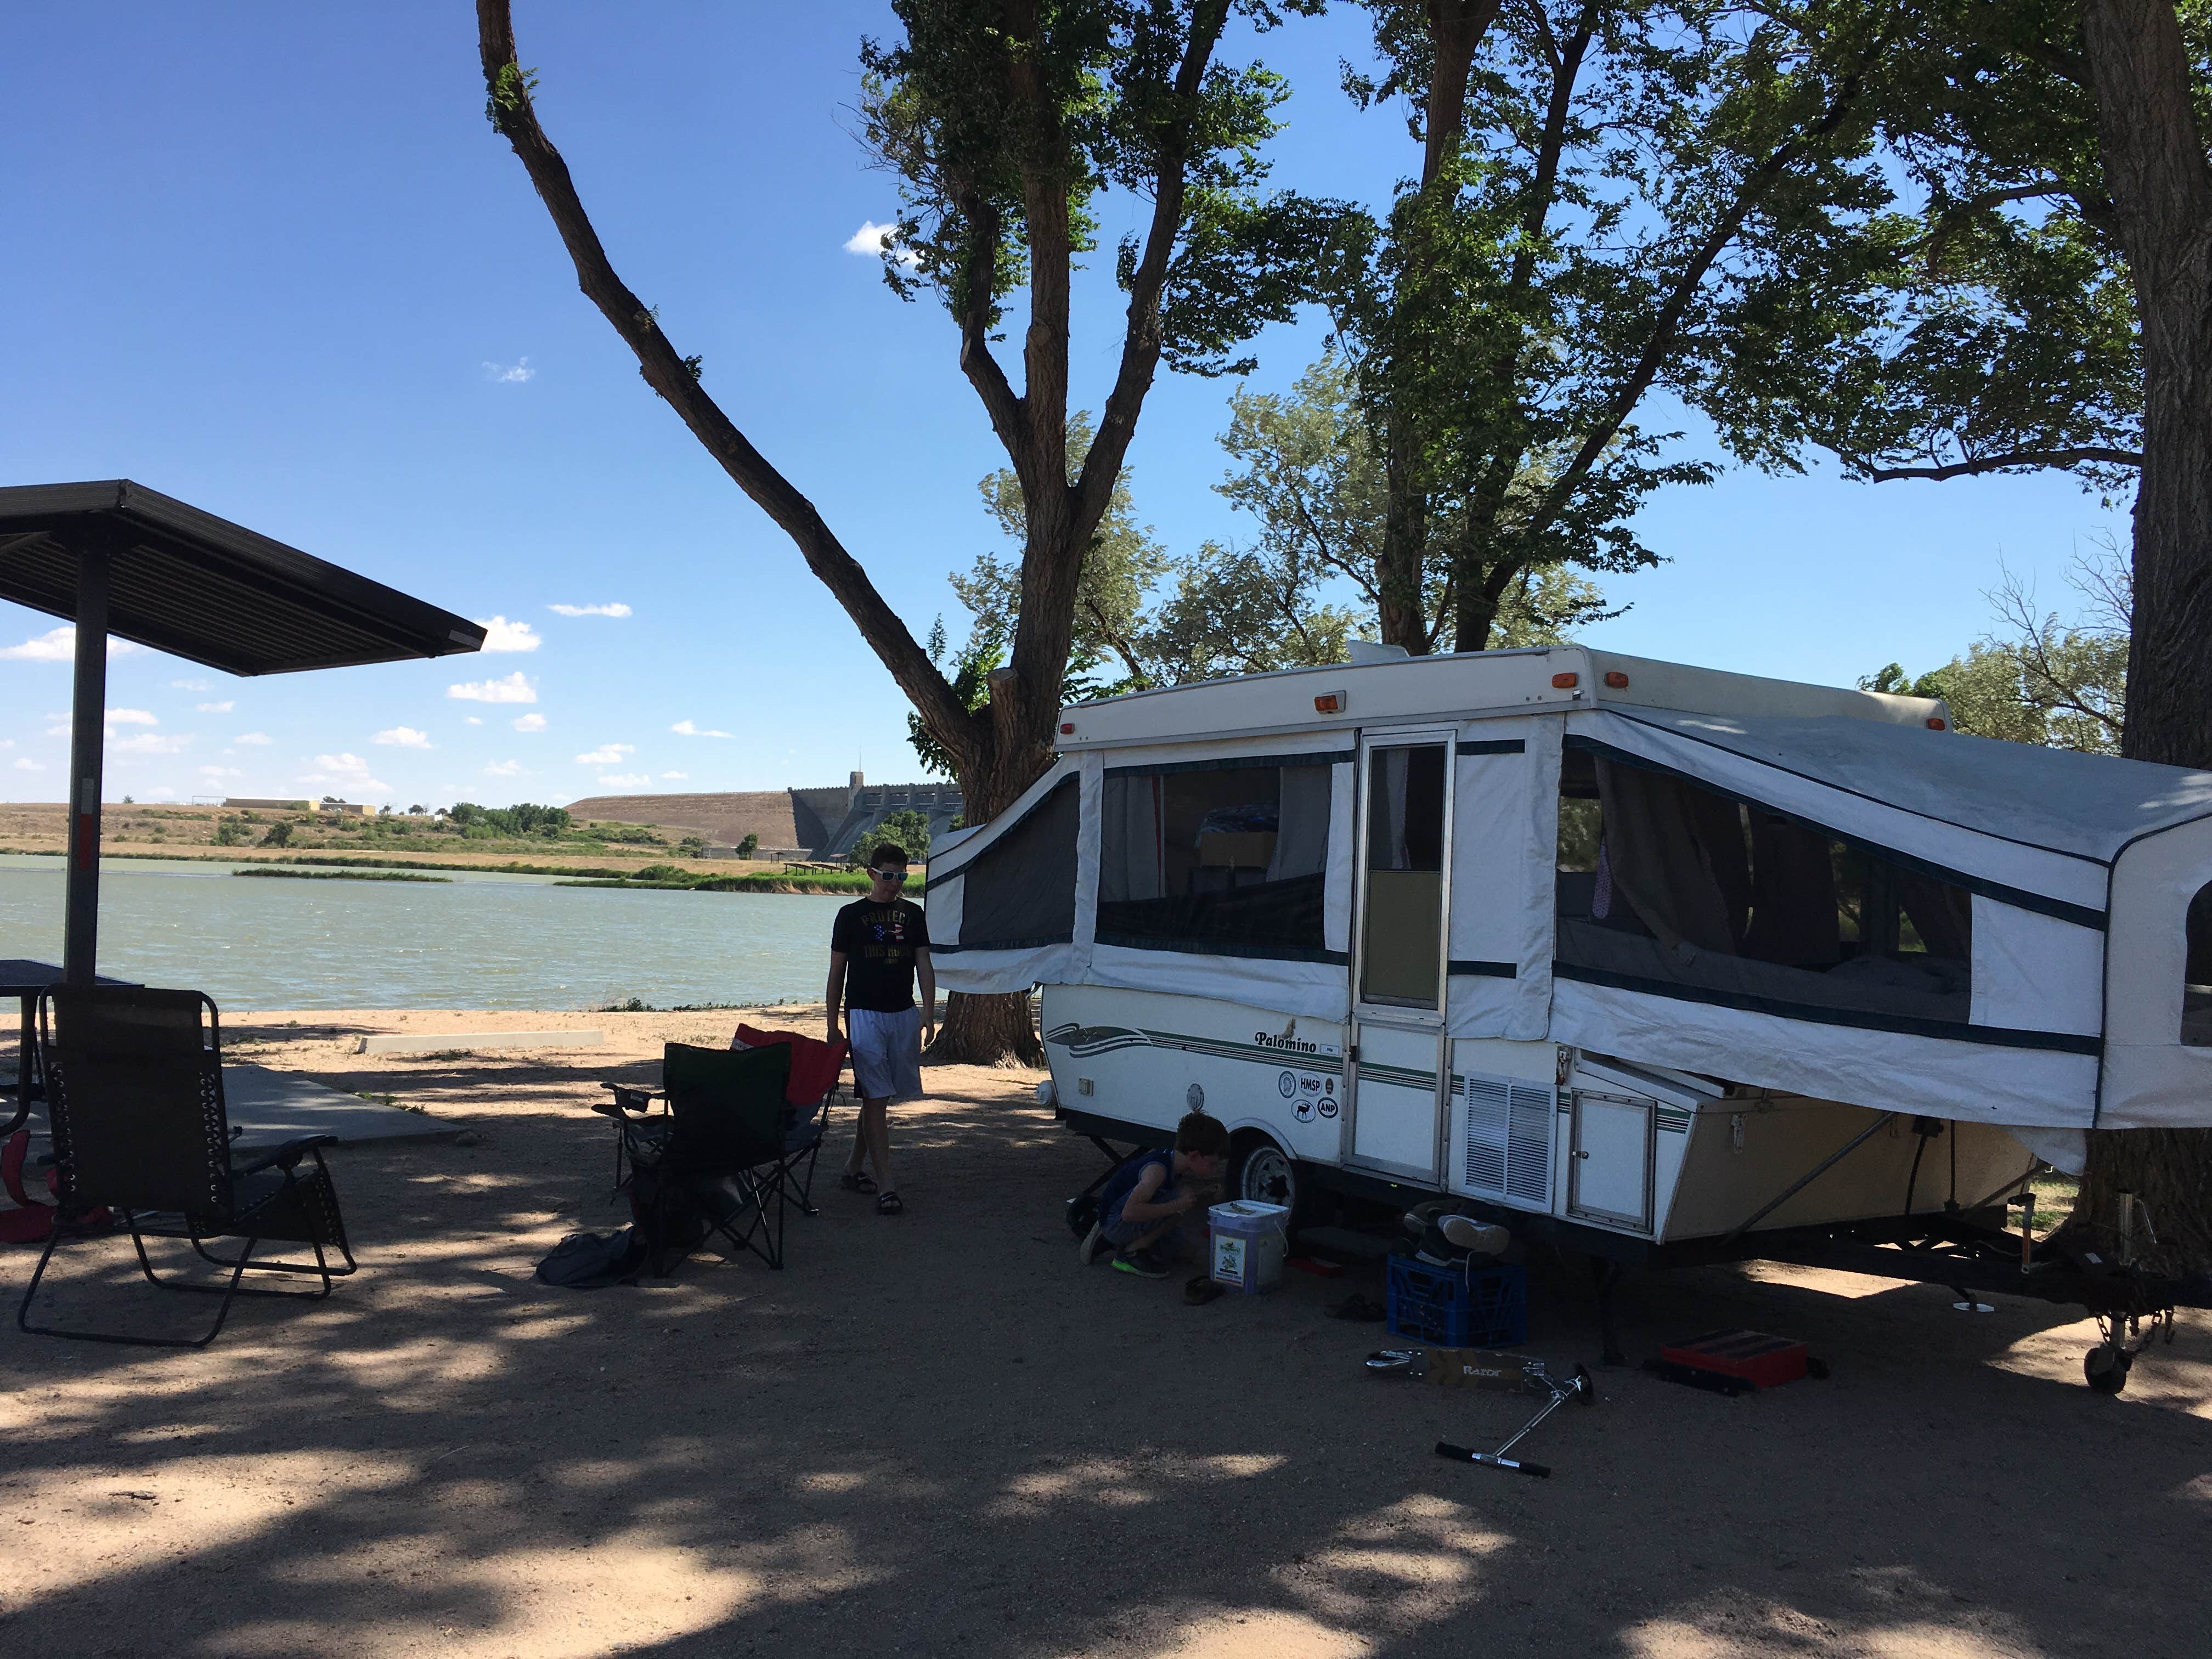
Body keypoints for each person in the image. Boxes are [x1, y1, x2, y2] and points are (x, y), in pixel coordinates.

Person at [826, 842, 934, 1216]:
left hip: (902, 1012)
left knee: (881, 1096)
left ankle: (852, 1169)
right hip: (864, 1015)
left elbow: (923, 963)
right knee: (874, 1097)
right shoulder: (850, 916)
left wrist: (929, 1011)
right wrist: (832, 1024)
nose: (895, 884)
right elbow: (836, 972)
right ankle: (887, 1186)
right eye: (888, 876)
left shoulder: (914, 914)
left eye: (902, 876)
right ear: (872, 874)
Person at [1079, 1111, 1230, 1277]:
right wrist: (1178, 1205)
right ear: (1194, 1156)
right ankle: (1130, 1253)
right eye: (1213, 1164)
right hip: (1116, 1222)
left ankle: (1128, 1242)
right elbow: (1130, 1213)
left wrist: (1203, 1195)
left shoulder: (1174, 1162)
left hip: (1124, 1214)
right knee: (1183, 1196)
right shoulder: (1157, 1171)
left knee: (1189, 1253)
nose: (1215, 1170)